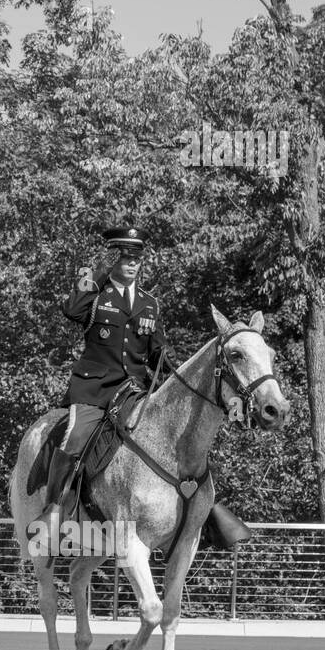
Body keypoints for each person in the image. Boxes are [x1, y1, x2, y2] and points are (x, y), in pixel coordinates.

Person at [41, 225, 249, 550]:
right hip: (95, 388)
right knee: (76, 435)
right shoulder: (97, 291)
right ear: (113, 259)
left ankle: (204, 513)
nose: (132, 263)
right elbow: (71, 309)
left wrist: (177, 375)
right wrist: (96, 270)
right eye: (124, 257)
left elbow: (157, 352)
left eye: (136, 258)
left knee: (184, 440)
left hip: (134, 390)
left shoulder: (149, 303)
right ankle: (54, 510)